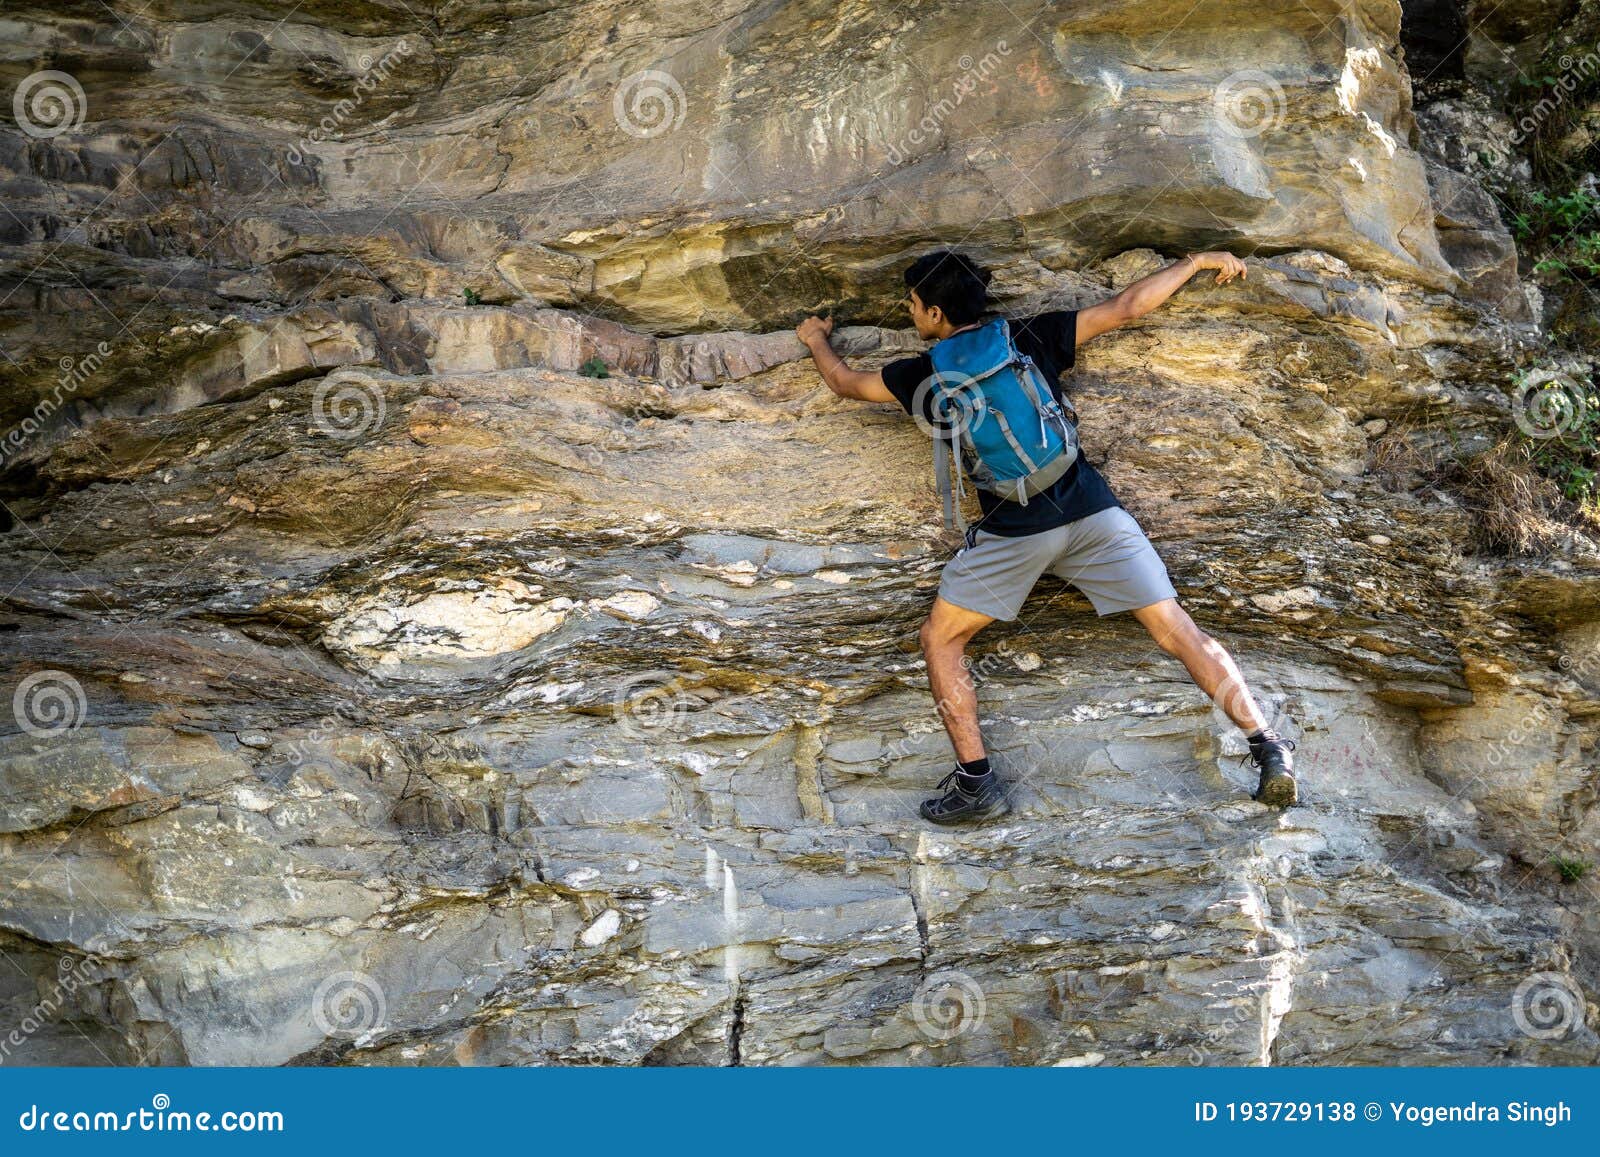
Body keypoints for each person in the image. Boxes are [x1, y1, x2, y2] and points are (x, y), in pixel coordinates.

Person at [794, 250, 1297, 823]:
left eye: (912, 306)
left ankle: (976, 784)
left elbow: (843, 384)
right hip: (1094, 515)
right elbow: (1128, 306)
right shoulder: (1029, 337)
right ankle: (1266, 744)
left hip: (1014, 532)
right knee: (1179, 631)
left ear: (934, 313)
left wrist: (815, 339)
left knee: (941, 640)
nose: (911, 315)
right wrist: (1196, 261)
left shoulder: (922, 374)